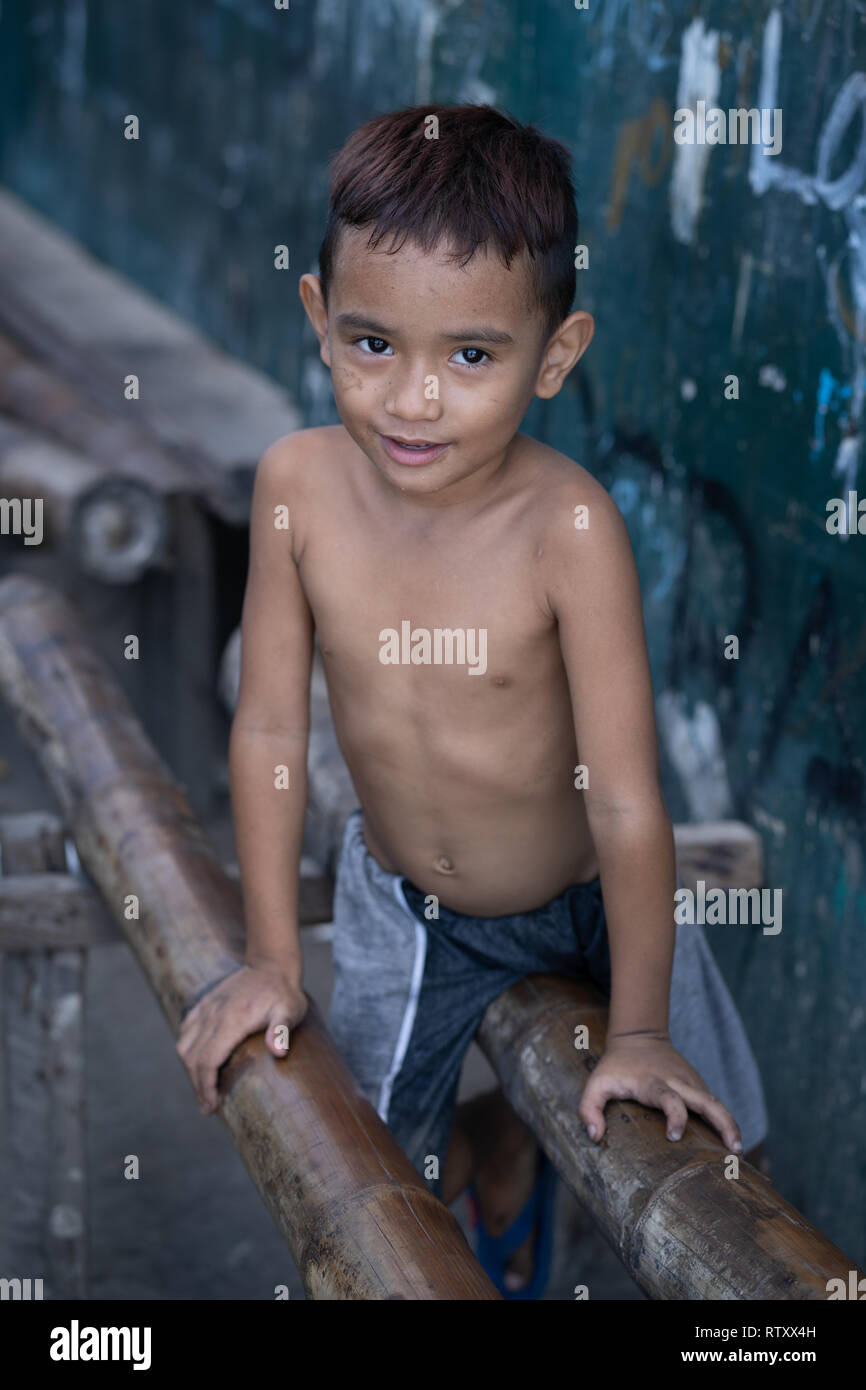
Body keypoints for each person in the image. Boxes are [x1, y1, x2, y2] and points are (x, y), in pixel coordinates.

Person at [177, 103, 767, 1297]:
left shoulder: (568, 526)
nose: (411, 400)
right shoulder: (296, 485)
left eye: (470, 356)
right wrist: (270, 955)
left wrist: (640, 1026)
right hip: (413, 904)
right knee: (376, 1171)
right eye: (371, 343)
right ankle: (484, 1195)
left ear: (553, 356)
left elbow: (624, 801)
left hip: (592, 899)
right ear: (317, 324)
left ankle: (532, 1159)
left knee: (722, 1155)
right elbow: (272, 727)